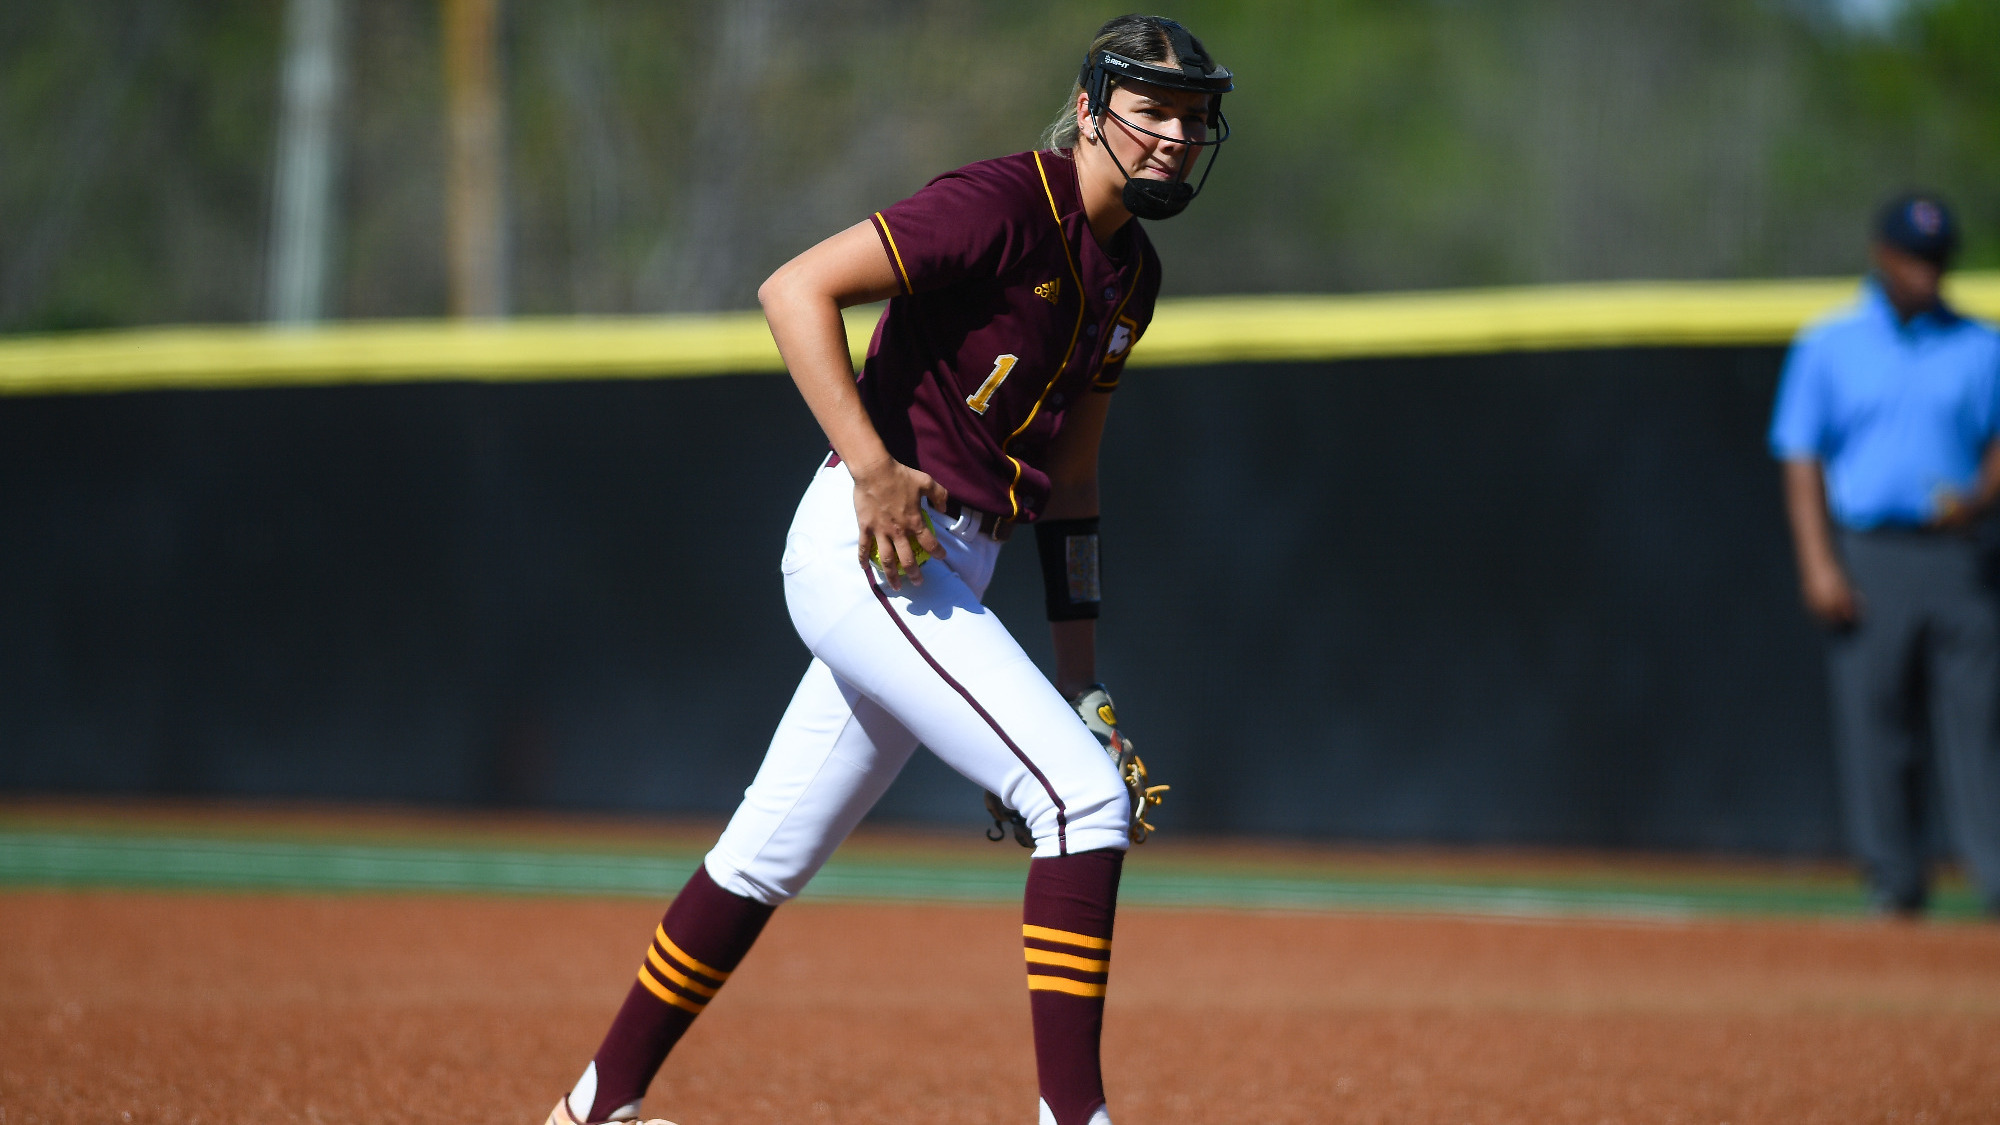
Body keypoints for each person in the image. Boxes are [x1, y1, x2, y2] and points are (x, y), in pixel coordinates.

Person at [543, 15, 1232, 1125]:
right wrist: (869, 466)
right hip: (876, 544)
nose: (1171, 135)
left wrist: (1080, 676)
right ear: (1091, 106)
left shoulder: (1130, 274)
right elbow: (792, 289)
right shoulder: (1006, 201)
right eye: (1149, 109)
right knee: (1083, 804)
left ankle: (594, 1109)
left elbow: (1077, 475)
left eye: (1191, 118)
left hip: (956, 566)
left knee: (765, 853)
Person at [1770, 192, 2000, 917]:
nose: (1927, 273)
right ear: (1881, 254)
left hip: (1960, 555)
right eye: (1913, 258)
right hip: (1869, 550)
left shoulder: (1982, 345)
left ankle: (1996, 879)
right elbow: (1801, 457)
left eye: (1937, 260)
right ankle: (1894, 885)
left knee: (1982, 723)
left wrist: (1979, 498)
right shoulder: (1829, 344)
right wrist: (1818, 563)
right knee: (1878, 724)